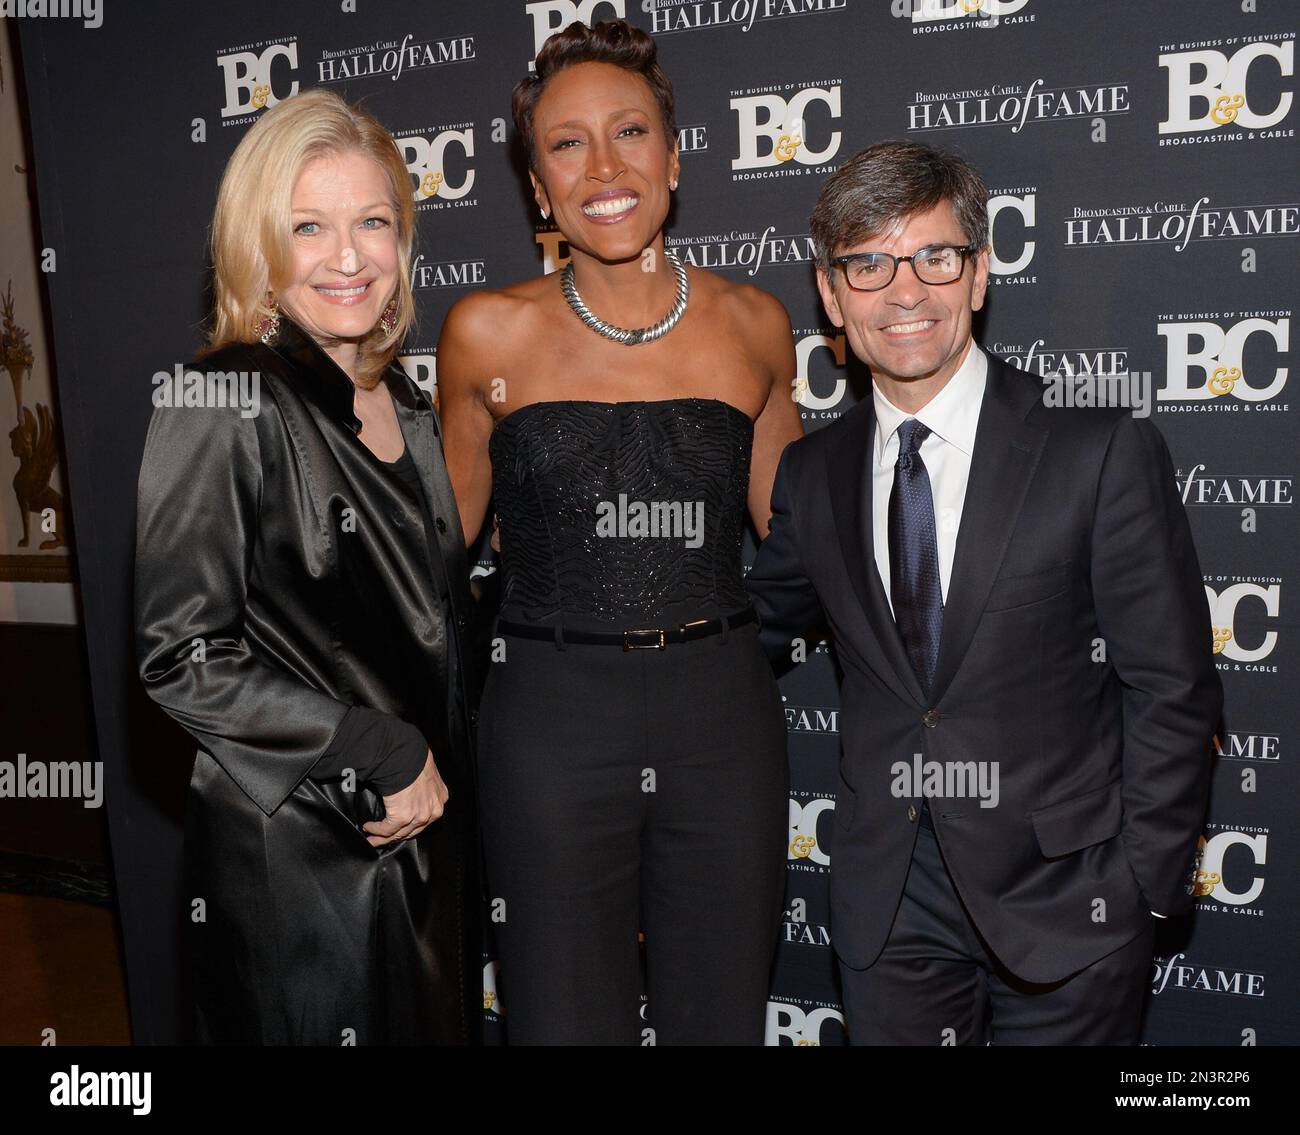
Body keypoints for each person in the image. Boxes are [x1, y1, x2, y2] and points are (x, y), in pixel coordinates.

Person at [745, 139, 1223, 1045]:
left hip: (1068, 901)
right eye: (869, 263)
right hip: (889, 908)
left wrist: (1144, 884)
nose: (905, 291)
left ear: (979, 274)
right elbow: (745, 638)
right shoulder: (812, 475)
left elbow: (1173, 686)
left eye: (935, 255)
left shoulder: (1099, 452)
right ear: (832, 292)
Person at [437, 19, 803, 1045]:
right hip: (550, 721)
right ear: (536, 187)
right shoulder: (484, 334)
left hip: (721, 717)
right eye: (565, 144)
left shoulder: (753, 324)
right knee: (559, 1021)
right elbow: (433, 551)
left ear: (674, 157)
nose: (602, 165)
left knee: (717, 1018)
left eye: (629, 131)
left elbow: (802, 538)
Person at [135, 89, 481, 1044]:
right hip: (300, 859)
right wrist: (383, 749)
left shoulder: (404, 400)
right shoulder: (223, 396)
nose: (347, 255)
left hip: (418, 842)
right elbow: (181, 655)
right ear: (257, 243)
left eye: (372, 221)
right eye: (308, 226)